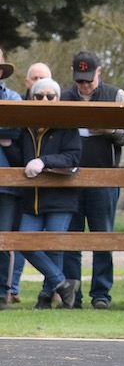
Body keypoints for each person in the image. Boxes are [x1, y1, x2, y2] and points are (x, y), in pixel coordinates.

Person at [60, 50, 124, 309]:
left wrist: (109, 130)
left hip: (105, 179)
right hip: (69, 180)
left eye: (88, 80)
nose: (83, 85)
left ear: (99, 72)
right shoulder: (63, 97)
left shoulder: (116, 95)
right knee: (71, 239)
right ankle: (72, 295)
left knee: (103, 238)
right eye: (79, 80)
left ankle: (101, 295)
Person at [17, 78, 83, 310]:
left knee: (54, 246)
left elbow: (73, 157)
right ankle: (63, 285)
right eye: (38, 96)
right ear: (30, 98)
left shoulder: (67, 125)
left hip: (60, 198)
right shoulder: (25, 127)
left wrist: (43, 161)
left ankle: (46, 296)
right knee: (24, 242)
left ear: (58, 98)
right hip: (32, 200)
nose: (44, 100)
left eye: (50, 96)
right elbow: (16, 155)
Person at [6, 61, 53, 304]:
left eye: (43, 78)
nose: (38, 84)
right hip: (23, 187)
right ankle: (12, 290)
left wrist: (44, 161)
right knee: (18, 238)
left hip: (53, 191)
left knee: (51, 240)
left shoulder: (63, 115)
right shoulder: (21, 110)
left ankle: (53, 288)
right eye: (34, 79)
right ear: (27, 84)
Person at [0, 50, 25, 308]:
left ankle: (2, 294)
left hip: (6, 185)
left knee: (4, 241)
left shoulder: (13, 97)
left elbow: (16, 132)